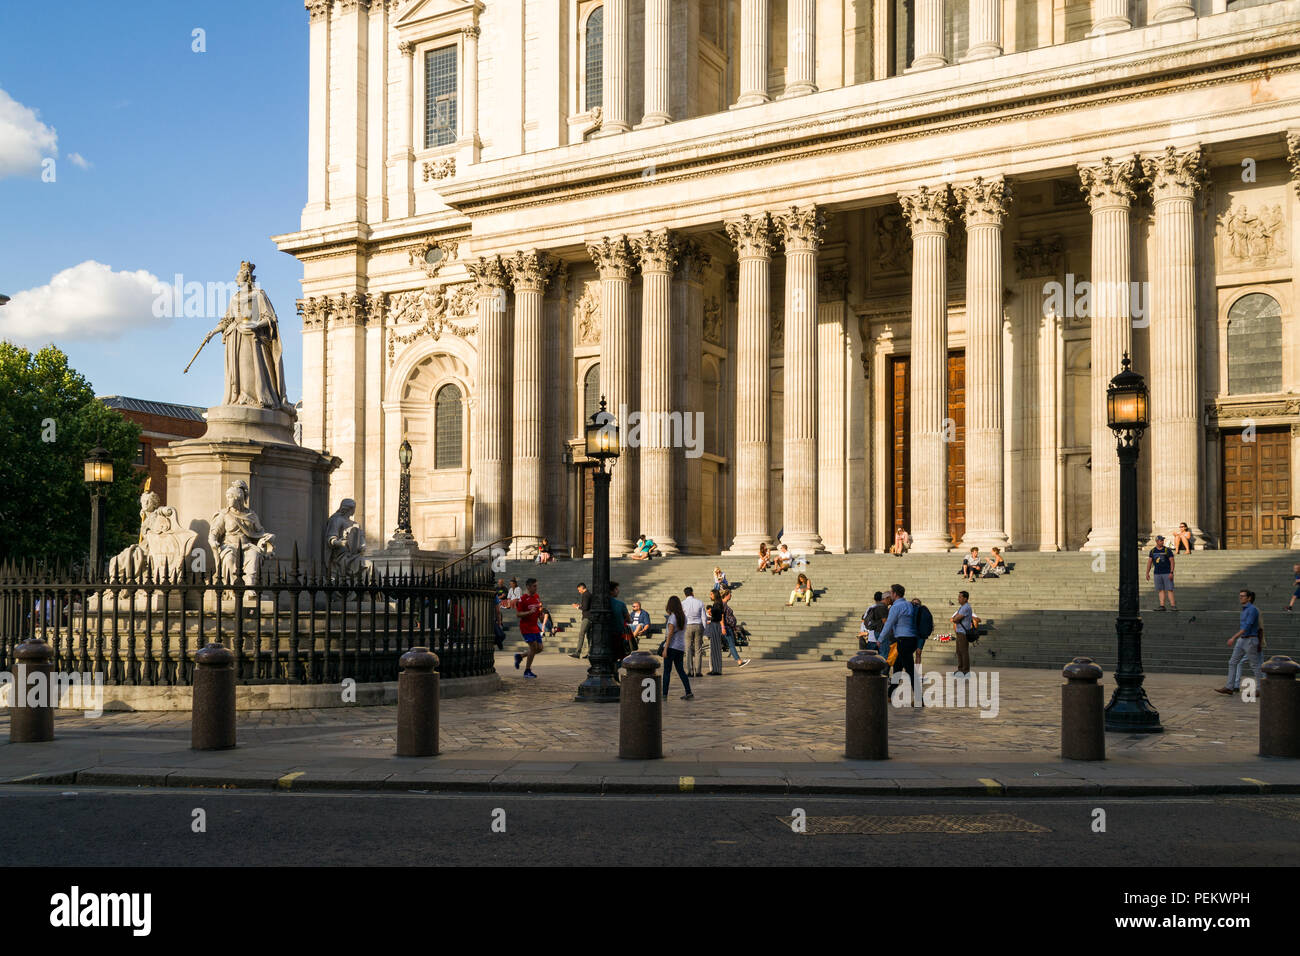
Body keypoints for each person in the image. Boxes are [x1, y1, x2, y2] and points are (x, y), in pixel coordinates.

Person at [1216, 589, 1264, 695]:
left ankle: (1260, 689)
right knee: (1232, 662)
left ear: (1249, 598)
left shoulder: (1252, 610)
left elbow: (1247, 626)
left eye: (1243, 596)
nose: (1240, 597)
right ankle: (1229, 687)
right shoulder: (1244, 610)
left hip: (1250, 639)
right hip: (1242, 640)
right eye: (1240, 596)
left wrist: (1233, 637)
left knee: (1255, 665)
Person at [878, 584, 917, 701]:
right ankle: (890, 695)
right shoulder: (909, 605)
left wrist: (880, 639)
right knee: (897, 668)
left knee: (910, 670)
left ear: (895, 594)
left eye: (891, 592)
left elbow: (888, 624)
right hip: (911, 639)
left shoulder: (896, 607)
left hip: (903, 640)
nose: (890, 595)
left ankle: (919, 698)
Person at [661, 595, 693, 700]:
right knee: (681, 670)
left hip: (671, 647)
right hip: (680, 647)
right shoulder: (683, 617)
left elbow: (670, 634)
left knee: (667, 671)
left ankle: (664, 694)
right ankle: (688, 691)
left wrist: (665, 648)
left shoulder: (672, 617)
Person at [512, 578, 544, 678]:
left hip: (534, 626)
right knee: (533, 648)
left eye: (536, 585)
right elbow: (518, 614)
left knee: (540, 648)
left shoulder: (537, 597)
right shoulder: (523, 599)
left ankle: (520, 656)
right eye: (534, 586)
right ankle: (527, 671)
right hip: (526, 627)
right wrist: (529, 612)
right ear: (528, 587)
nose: (536, 588)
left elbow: (538, 611)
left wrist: (541, 616)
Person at [681, 586, 708, 677]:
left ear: (685, 594)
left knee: (688, 649)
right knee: (698, 649)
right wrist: (703, 628)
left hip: (687, 625)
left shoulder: (683, 603)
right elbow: (704, 617)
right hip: (698, 625)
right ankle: (698, 671)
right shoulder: (699, 602)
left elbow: (681, 617)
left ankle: (689, 671)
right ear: (692, 592)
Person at [720, 588, 750, 668]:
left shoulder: (724, 604)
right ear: (726, 595)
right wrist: (723, 627)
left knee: (731, 645)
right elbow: (721, 617)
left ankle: (739, 661)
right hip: (726, 628)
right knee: (731, 645)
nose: (731, 595)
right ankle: (739, 661)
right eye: (730, 594)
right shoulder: (722, 604)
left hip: (728, 627)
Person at [1145, 535, 1177, 612]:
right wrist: (1147, 573)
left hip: (1167, 572)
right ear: (1157, 541)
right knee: (1160, 590)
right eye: (1161, 540)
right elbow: (1149, 562)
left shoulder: (1167, 550)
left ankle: (1173, 605)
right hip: (1157, 573)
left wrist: (1171, 572)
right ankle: (1162, 605)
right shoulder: (1153, 551)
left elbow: (1172, 561)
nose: (1162, 542)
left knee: (1169, 589)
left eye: (1163, 540)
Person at [951, 590, 975, 678]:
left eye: (960, 597)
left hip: (963, 633)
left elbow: (955, 619)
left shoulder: (966, 607)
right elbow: (954, 617)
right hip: (959, 632)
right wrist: (955, 618)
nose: (958, 599)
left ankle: (965, 670)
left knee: (963, 652)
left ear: (965, 598)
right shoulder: (962, 607)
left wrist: (955, 618)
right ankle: (960, 669)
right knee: (959, 651)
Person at [609, 581, 631, 666]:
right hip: (618, 634)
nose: (618, 591)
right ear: (611, 591)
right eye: (616, 589)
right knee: (622, 655)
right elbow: (629, 619)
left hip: (603, 636)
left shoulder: (600, 603)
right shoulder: (620, 604)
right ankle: (616, 667)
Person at [570, 582, 592, 659]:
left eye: (579, 590)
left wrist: (577, 606)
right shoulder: (589, 594)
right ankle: (590, 653)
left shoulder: (585, 594)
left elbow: (585, 607)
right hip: (590, 617)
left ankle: (577, 652)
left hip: (587, 617)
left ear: (582, 588)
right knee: (589, 635)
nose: (579, 592)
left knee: (582, 633)